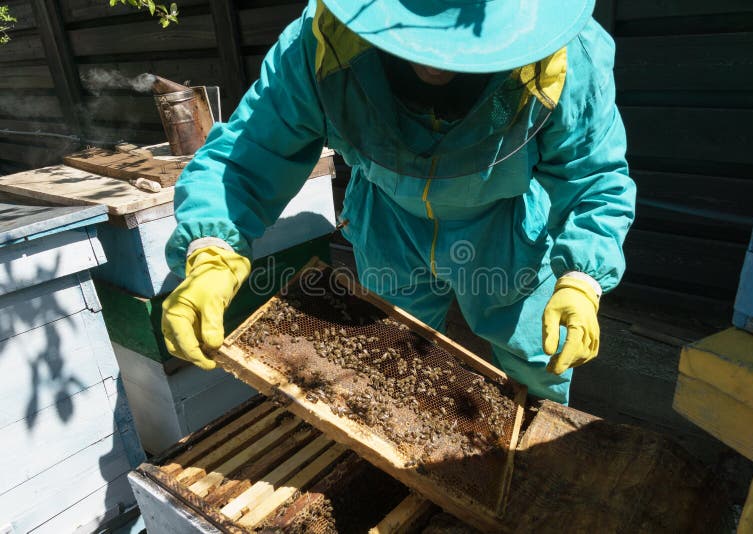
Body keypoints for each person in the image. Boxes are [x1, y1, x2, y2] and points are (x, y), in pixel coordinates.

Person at [161, 0, 636, 404]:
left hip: (504, 224)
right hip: (390, 221)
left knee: (538, 358)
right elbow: (248, 153)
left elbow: (592, 175)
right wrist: (211, 245)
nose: (435, 62)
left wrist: (580, 279)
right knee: (396, 355)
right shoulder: (320, 45)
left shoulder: (568, 58)